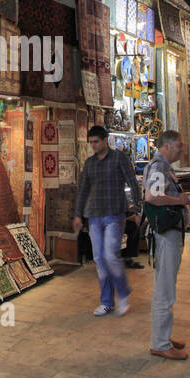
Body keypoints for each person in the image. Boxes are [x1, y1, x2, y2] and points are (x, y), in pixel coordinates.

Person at [74, 125, 143, 317]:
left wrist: (138, 209)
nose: (93, 146)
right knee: (99, 259)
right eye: (91, 143)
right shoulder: (90, 164)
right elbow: (83, 190)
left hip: (114, 214)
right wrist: (78, 214)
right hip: (94, 216)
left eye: (96, 142)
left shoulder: (119, 159)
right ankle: (106, 301)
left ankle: (123, 294)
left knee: (111, 256)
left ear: (105, 140)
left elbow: (132, 182)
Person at [143, 130, 190, 360]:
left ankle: (162, 335)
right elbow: (152, 197)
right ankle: (160, 343)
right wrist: (179, 201)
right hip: (165, 235)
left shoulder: (164, 167)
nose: (181, 150)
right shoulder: (158, 167)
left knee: (166, 286)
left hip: (170, 232)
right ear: (168, 145)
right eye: (179, 146)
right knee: (165, 289)